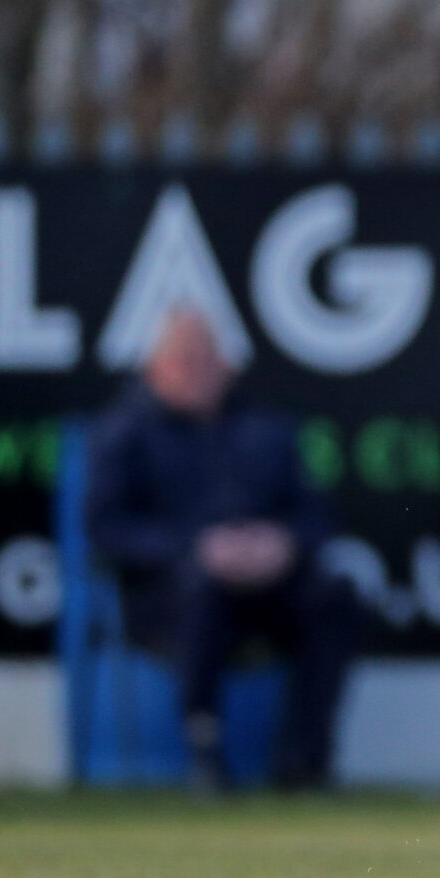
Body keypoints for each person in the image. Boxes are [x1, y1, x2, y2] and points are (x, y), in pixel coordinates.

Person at [84, 308, 359, 791]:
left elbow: (317, 517)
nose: (196, 370)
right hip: (167, 597)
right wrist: (196, 549)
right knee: (202, 586)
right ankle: (206, 754)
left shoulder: (267, 429)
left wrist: (283, 544)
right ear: (154, 368)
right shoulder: (125, 432)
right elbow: (104, 528)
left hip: (267, 590)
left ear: (228, 365)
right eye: (183, 360)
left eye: (206, 358)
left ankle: (303, 762)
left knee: (335, 595)